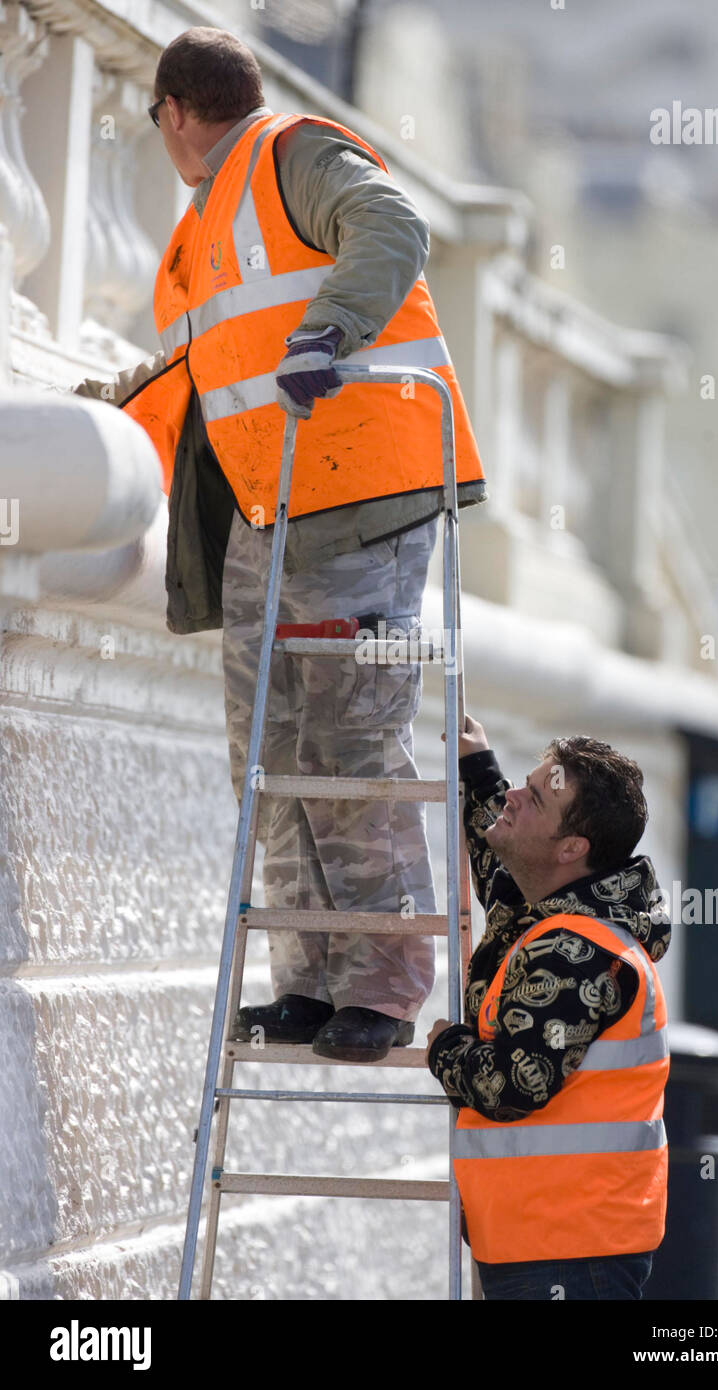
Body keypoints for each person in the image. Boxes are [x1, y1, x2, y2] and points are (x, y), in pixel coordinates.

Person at [75, 27, 485, 1062]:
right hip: (276, 509)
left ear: (171, 113)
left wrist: (329, 331)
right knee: (268, 754)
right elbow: (191, 377)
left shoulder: (291, 153)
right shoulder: (207, 226)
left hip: (365, 498)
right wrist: (89, 413)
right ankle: (308, 982)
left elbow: (390, 226)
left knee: (348, 743)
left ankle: (383, 987)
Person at [426, 714, 671, 1301]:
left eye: (533, 797)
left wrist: (443, 1048)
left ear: (571, 848)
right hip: (551, 1245)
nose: (514, 796)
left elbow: (510, 1086)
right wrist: (478, 766)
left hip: (567, 1255)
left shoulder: (578, 952)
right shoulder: (554, 913)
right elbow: (501, 858)